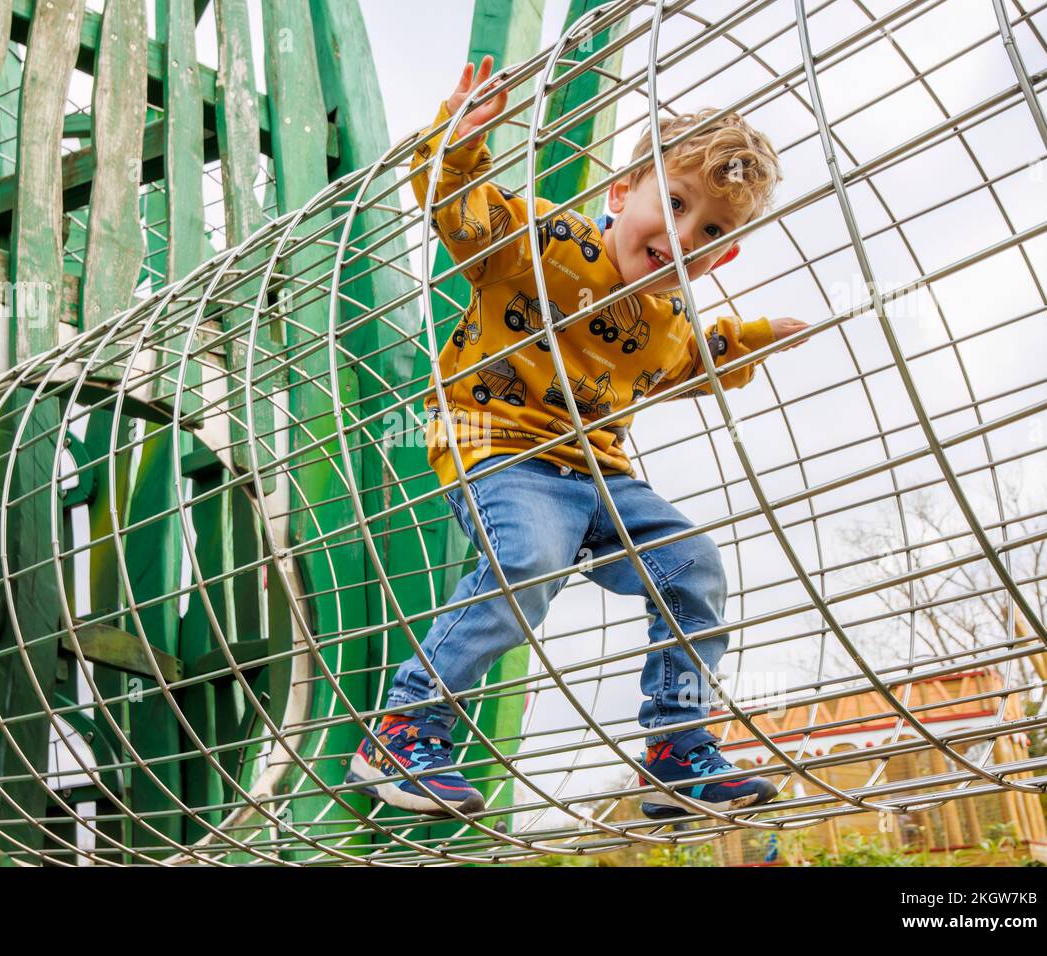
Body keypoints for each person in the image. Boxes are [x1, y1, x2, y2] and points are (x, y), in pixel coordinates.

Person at [345, 56, 810, 817]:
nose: (685, 235)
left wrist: (756, 337)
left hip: (599, 477)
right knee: (528, 560)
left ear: (723, 254)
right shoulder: (548, 242)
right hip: (499, 449)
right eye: (678, 203)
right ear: (623, 193)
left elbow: (696, 356)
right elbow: (466, 216)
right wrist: (457, 146)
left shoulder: (666, 322)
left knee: (692, 561)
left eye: (712, 230)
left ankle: (676, 748)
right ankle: (405, 725)